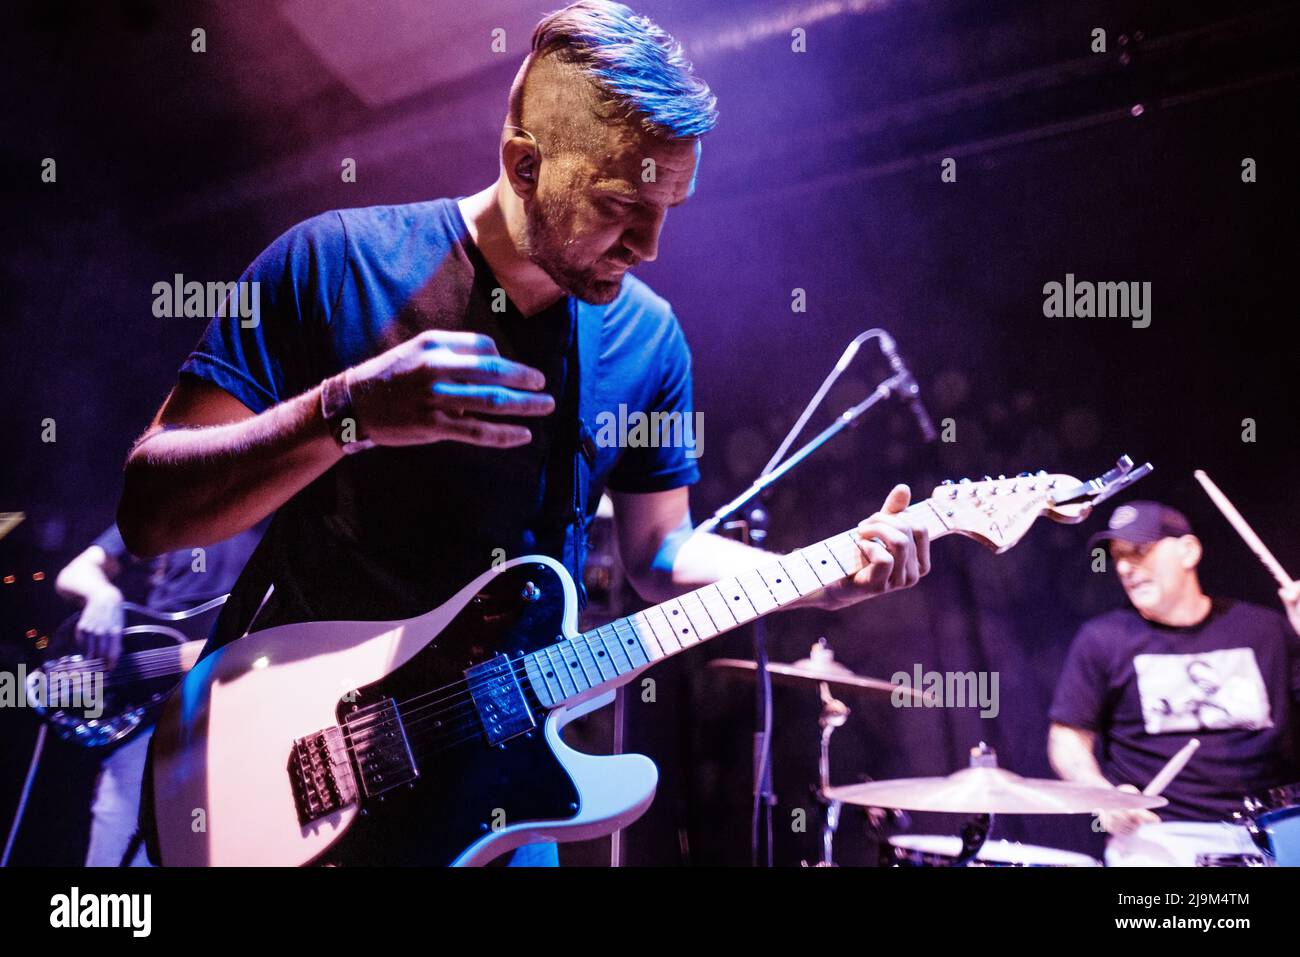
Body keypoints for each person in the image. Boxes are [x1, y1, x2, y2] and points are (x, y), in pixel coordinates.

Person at [115, 1, 930, 866]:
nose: (651, 244)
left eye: (671, 208)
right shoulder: (332, 261)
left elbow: (660, 553)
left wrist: (817, 578)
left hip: (498, 800)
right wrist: (344, 411)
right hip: (291, 766)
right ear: (524, 163)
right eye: (623, 205)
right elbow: (152, 508)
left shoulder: (649, 340)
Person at [1048, 500, 1300, 866]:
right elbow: (1068, 739)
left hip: (1275, 827)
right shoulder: (1104, 639)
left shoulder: (1266, 629)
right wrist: (1104, 797)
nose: (1125, 567)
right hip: (1161, 835)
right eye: (1118, 556)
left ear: (1188, 551)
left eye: (1140, 551)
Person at [53, 521, 264, 866]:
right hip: (154, 707)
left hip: (248, 703)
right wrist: (103, 595)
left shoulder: (288, 499)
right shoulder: (172, 500)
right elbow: (76, 572)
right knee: (118, 853)